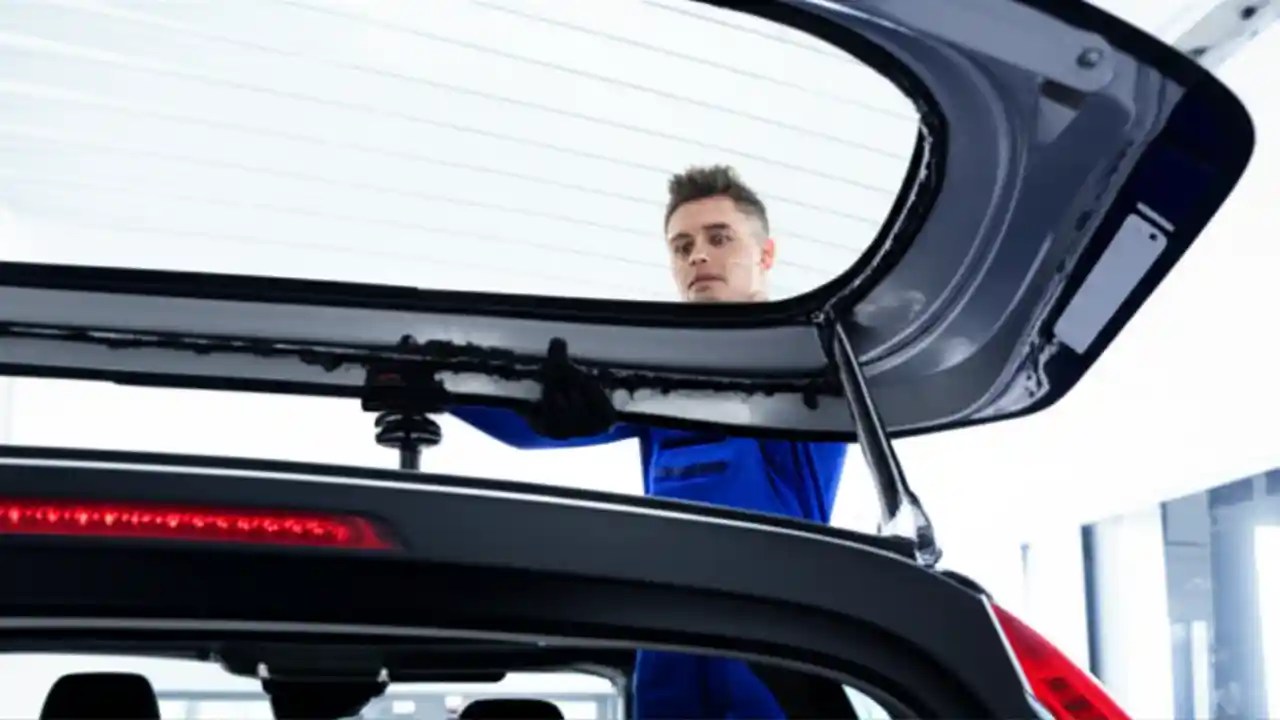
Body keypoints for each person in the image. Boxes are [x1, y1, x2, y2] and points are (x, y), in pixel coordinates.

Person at [451, 165, 848, 719]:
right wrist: (445, 390)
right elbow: (527, 428)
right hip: (670, 632)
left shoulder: (816, 361)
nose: (697, 257)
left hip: (775, 633)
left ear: (766, 254)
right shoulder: (660, 384)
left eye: (719, 237)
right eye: (681, 246)